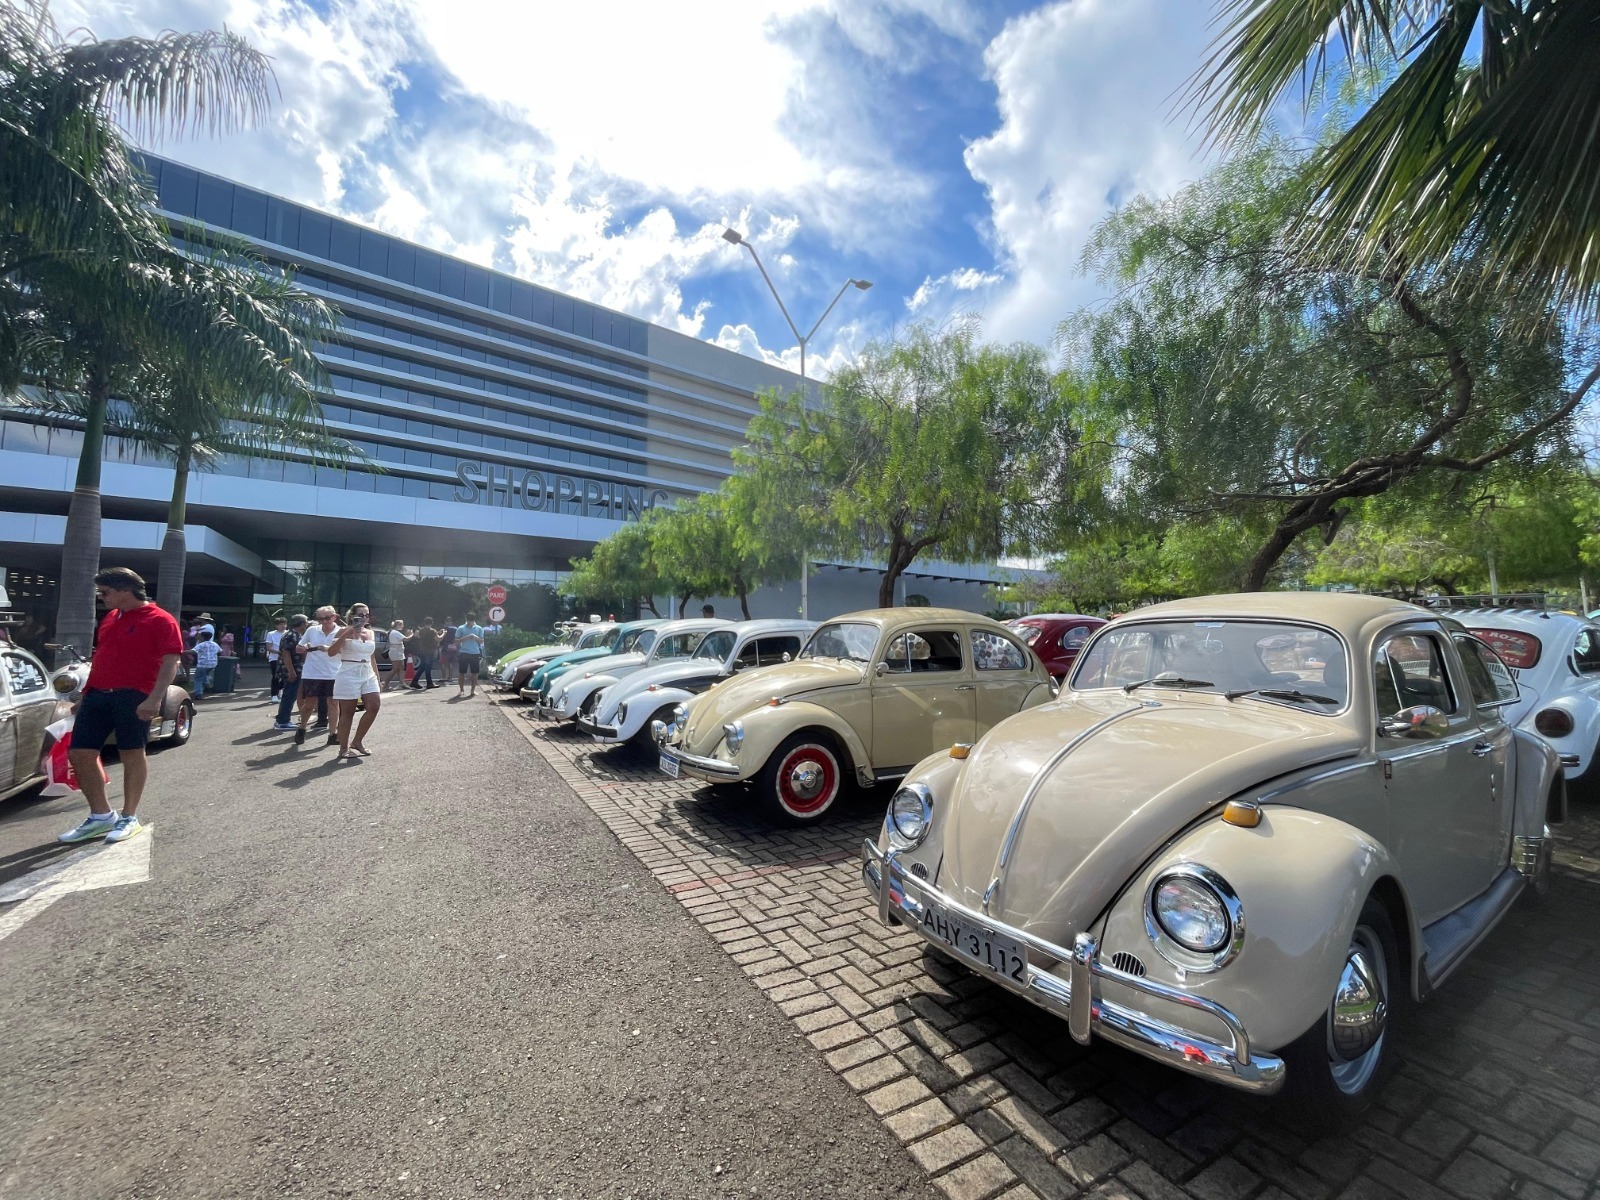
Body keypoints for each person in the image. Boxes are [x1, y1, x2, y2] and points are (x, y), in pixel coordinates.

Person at [57, 567, 183, 845]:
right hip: (97, 694)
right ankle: (101, 816)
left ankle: (129, 816)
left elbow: (171, 661)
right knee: (79, 753)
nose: (101, 597)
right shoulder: (111, 617)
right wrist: (86, 695)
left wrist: (154, 698)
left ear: (126, 591)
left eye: (105, 592)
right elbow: (102, 657)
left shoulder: (160, 619)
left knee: (131, 753)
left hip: (134, 695)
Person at [327, 602, 382, 759]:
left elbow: (372, 656)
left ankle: (357, 741)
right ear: (352, 616)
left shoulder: (370, 633)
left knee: (374, 706)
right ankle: (343, 748)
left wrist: (378, 678)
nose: (364, 618)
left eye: (367, 615)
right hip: (348, 671)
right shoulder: (343, 631)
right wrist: (347, 633)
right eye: (361, 615)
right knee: (348, 712)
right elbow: (331, 652)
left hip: (367, 672)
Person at [294, 606, 341, 746]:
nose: (324, 621)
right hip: (313, 672)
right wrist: (303, 648)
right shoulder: (312, 630)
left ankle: (332, 734)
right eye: (320, 619)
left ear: (334, 617)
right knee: (310, 703)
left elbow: (346, 650)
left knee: (333, 703)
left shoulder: (341, 631)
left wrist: (329, 649)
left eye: (327, 618)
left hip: (333, 672)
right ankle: (302, 727)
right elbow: (299, 647)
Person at [272, 615, 308, 730]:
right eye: (305, 622)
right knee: (289, 695)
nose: (307, 624)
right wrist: (291, 671)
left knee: (291, 695)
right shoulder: (291, 635)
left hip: (296, 669)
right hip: (292, 670)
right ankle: (282, 721)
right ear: (301, 624)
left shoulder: (296, 635)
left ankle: (283, 719)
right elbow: (286, 653)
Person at [455, 612, 486, 698]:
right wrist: (466, 637)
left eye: (471, 621)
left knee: (475, 673)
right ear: (466, 619)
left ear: (474, 620)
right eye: (468, 620)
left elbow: (482, 641)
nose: (470, 622)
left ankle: (473, 690)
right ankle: (461, 689)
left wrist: (475, 637)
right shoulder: (461, 628)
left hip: (475, 653)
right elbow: (456, 641)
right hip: (464, 652)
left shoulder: (479, 628)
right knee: (462, 672)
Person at [411, 618, 440, 689]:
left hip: (422, 650)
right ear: (432, 623)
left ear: (424, 623)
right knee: (428, 667)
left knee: (423, 666)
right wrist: (443, 634)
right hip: (430, 651)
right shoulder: (432, 631)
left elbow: (418, 637)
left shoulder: (421, 630)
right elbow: (438, 639)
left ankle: (414, 681)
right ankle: (429, 683)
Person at [265, 616, 288, 702]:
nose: (283, 626)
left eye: (284, 624)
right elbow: (268, 647)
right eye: (281, 624)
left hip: (287, 658)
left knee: (286, 676)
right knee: (276, 676)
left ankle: (280, 689)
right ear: (277, 626)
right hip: (275, 658)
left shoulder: (288, 633)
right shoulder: (271, 634)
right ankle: (274, 694)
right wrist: (279, 652)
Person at [191, 629, 219, 699]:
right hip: (213, 664)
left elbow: (193, 651)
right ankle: (207, 684)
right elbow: (220, 651)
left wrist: (182, 652)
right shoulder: (215, 644)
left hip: (202, 664)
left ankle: (198, 693)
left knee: (198, 678)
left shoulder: (201, 645)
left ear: (202, 637)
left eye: (200, 636)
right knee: (205, 674)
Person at [383, 619, 409, 692]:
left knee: (401, 667)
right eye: (402, 624)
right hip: (396, 651)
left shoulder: (395, 632)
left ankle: (402, 683)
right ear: (398, 625)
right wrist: (412, 635)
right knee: (395, 668)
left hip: (399, 651)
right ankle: (385, 684)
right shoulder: (395, 632)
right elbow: (406, 639)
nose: (403, 626)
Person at [438, 618, 458, 685]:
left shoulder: (443, 629)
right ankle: (450, 677)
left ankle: (444, 677)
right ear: (451, 622)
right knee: (451, 662)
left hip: (445, 647)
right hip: (453, 647)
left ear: (445, 622)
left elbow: (440, 638)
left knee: (443, 662)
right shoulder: (455, 629)